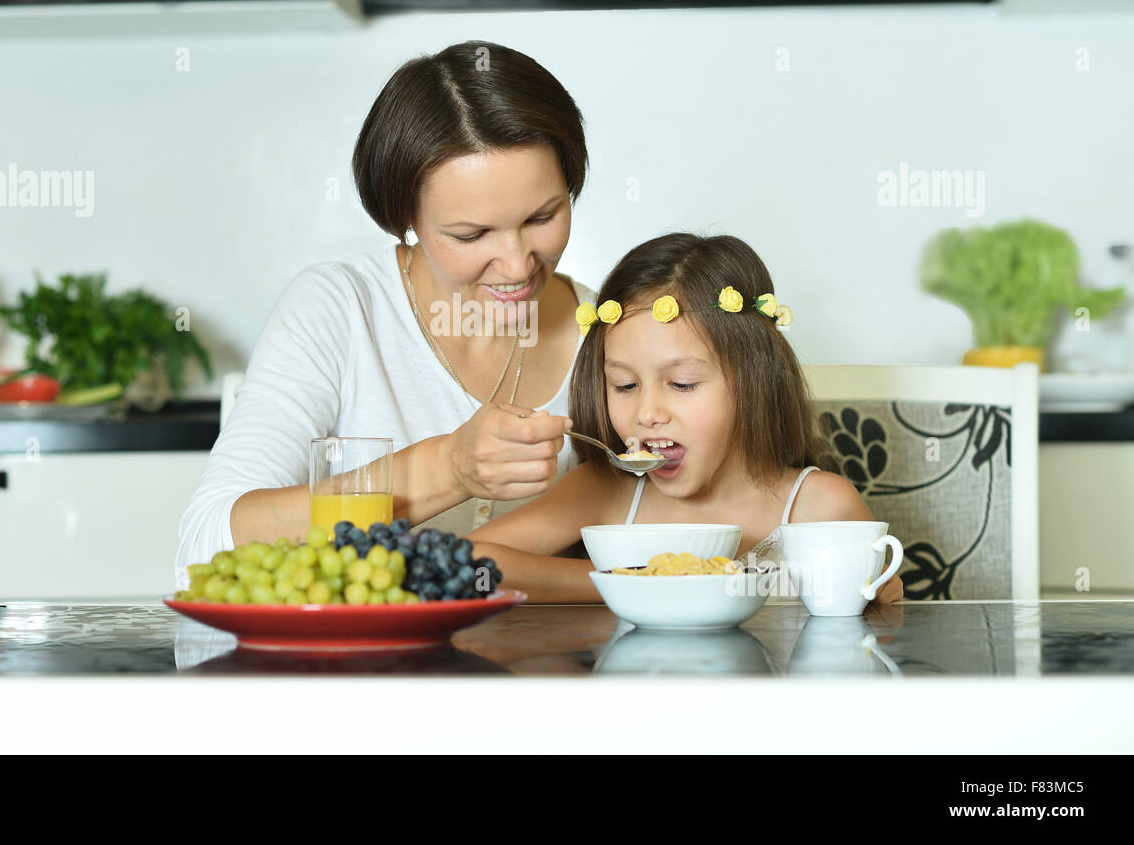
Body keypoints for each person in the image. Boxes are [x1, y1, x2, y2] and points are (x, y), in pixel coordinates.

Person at [176, 41, 598, 584]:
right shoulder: (340, 309)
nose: (517, 264)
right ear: (405, 218)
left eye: (543, 216)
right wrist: (446, 468)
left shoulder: (607, 326)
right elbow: (205, 547)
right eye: (471, 234)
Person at [466, 231, 905, 605]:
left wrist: (881, 597)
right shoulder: (607, 491)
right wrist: (633, 584)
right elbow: (465, 562)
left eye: (682, 384)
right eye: (624, 385)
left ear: (754, 382)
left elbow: (873, 633)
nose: (647, 413)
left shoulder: (820, 506)